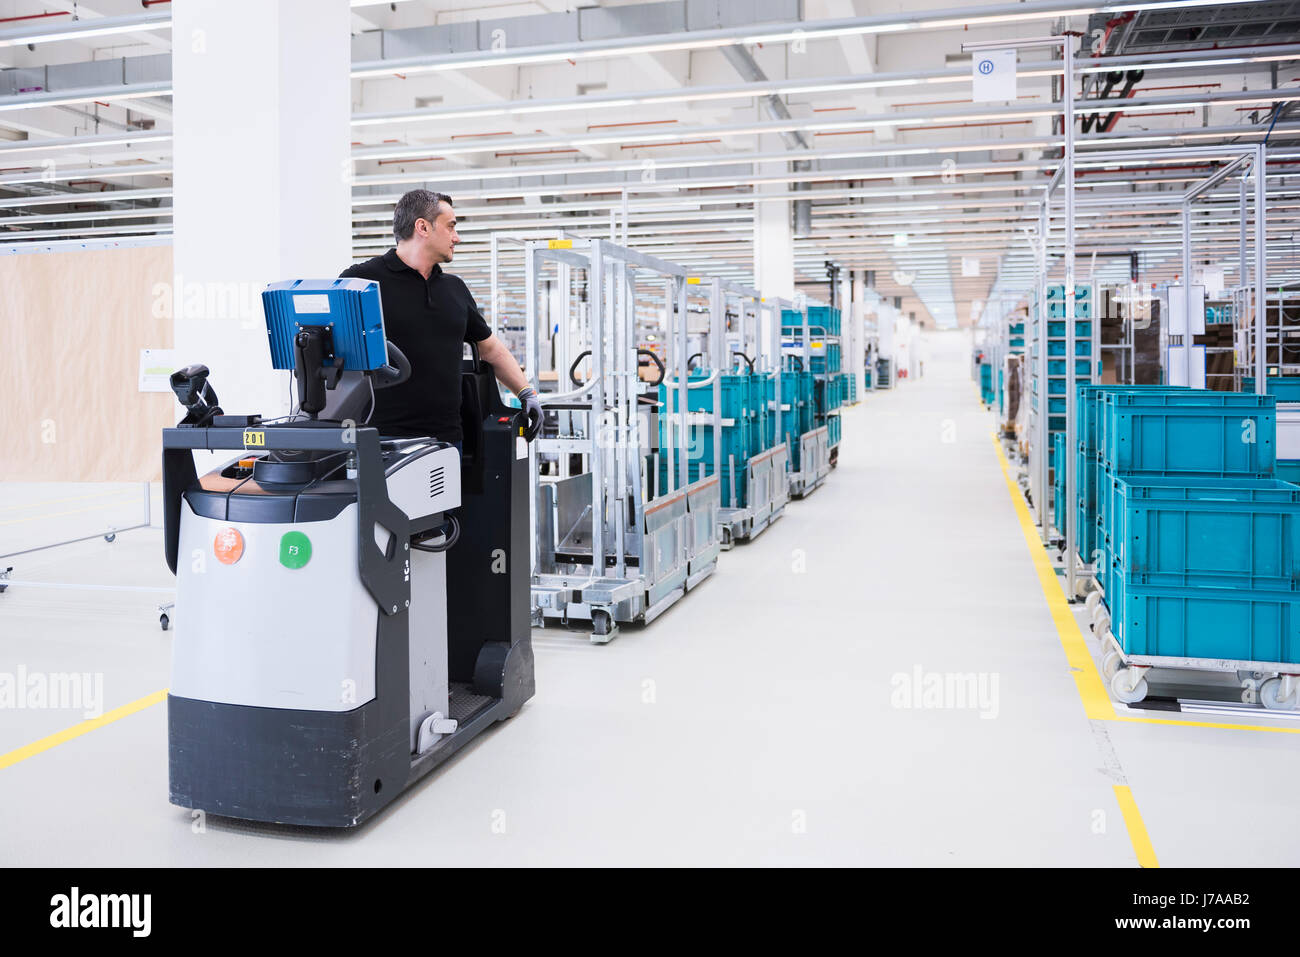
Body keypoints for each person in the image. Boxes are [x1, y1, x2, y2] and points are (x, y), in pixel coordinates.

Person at [340, 189, 541, 449]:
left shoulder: (454, 289)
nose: (456, 238)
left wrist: (526, 393)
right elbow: (334, 353)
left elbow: (491, 349)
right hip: (381, 440)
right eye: (450, 227)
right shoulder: (362, 281)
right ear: (423, 227)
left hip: (446, 439)